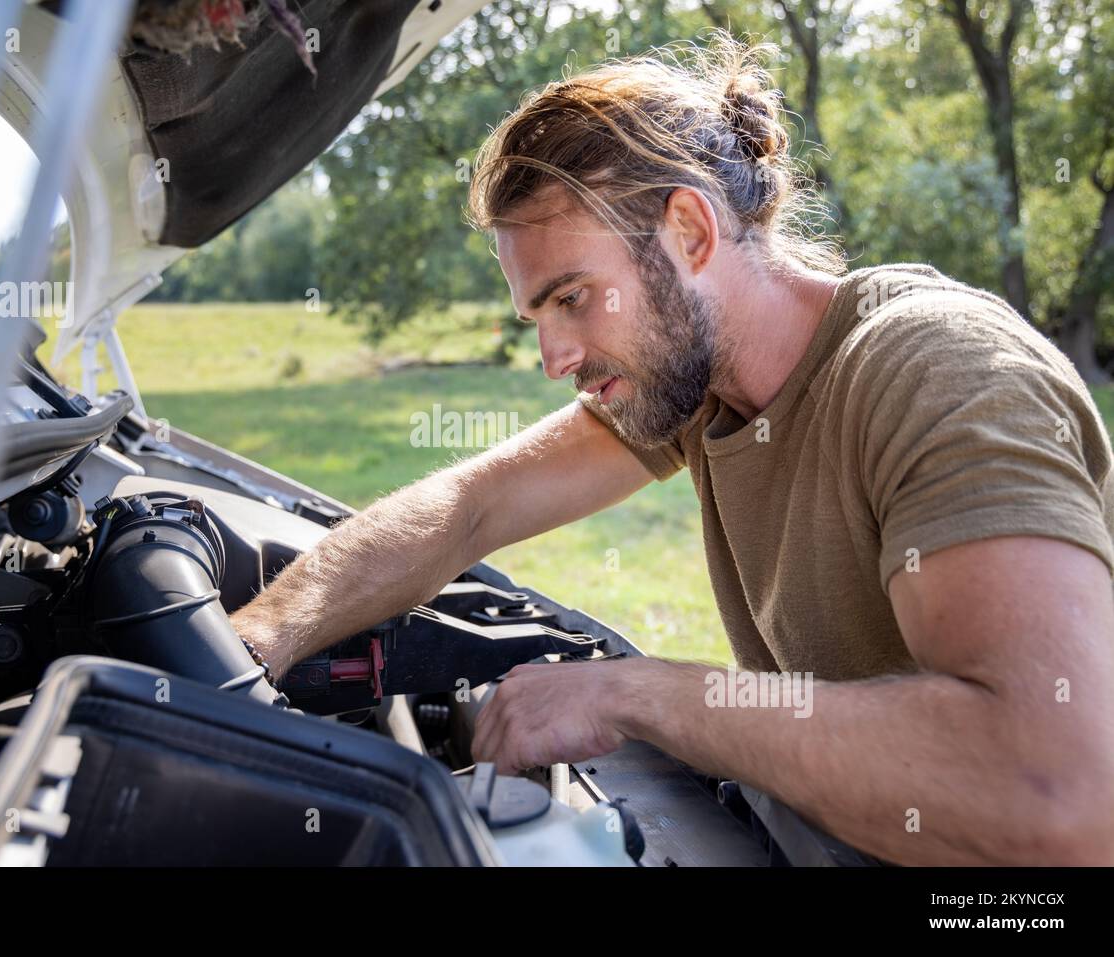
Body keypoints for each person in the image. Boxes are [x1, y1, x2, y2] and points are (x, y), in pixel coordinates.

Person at [231, 35, 1114, 865]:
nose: (554, 360)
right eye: (538, 316)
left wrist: (633, 691)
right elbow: (473, 507)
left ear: (689, 233)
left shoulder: (935, 371)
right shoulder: (696, 388)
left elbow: (1054, 795)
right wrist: (255, 642)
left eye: (573, 297)